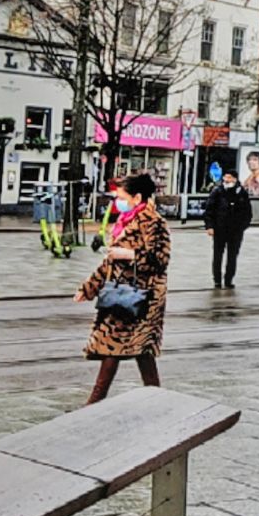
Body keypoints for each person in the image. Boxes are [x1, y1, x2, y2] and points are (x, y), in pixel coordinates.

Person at [74, 174, 171, 405]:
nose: (118, 201)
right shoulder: (126, 221)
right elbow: (109, 263)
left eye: (122, 197)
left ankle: (94, 403)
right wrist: (88, 288)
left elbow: (160, 259)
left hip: (141, 296)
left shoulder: (154, 222)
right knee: (135, 348)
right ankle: (155, 396)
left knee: (122, 348)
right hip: (121, 293)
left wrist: (129, 255)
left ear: (137, 197)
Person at [203, 170, 254, 289]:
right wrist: (209, 226)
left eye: (229, 178)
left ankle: (228, 280)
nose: (226, 180)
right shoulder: (218, 191)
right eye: (225, 177)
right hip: (219, 229)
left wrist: (242, 227)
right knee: (217, 255)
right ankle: (217, 280)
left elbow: (248, 213)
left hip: (235, 231)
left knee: (232, 256)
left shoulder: (241, 193)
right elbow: (209, 210)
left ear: (235, 179)